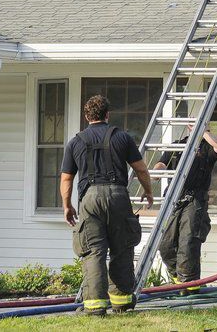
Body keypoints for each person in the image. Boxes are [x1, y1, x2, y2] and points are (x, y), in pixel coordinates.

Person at [61, 95, 154, 316]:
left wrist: (67, 205)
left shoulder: (75, 141)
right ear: (107, 115)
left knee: (94, 251)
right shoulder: (122, 137)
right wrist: (148, 191)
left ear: (86, 116)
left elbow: (66, 178)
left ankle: (94, 308)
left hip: (89, 199)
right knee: (122, 249)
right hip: (118, 196)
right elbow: (140, 169)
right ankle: (121, 304)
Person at [154, 123, 217, 295]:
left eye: (200, 123)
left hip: (195, 200)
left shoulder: (207, 147)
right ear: (187, 126)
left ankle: (190, 287)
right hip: (173, 199)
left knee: (188, 243)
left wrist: (203, 132)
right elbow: (162, 164)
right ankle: (179, 281)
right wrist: (156, 171)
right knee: (165, 245)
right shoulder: (177, 145)